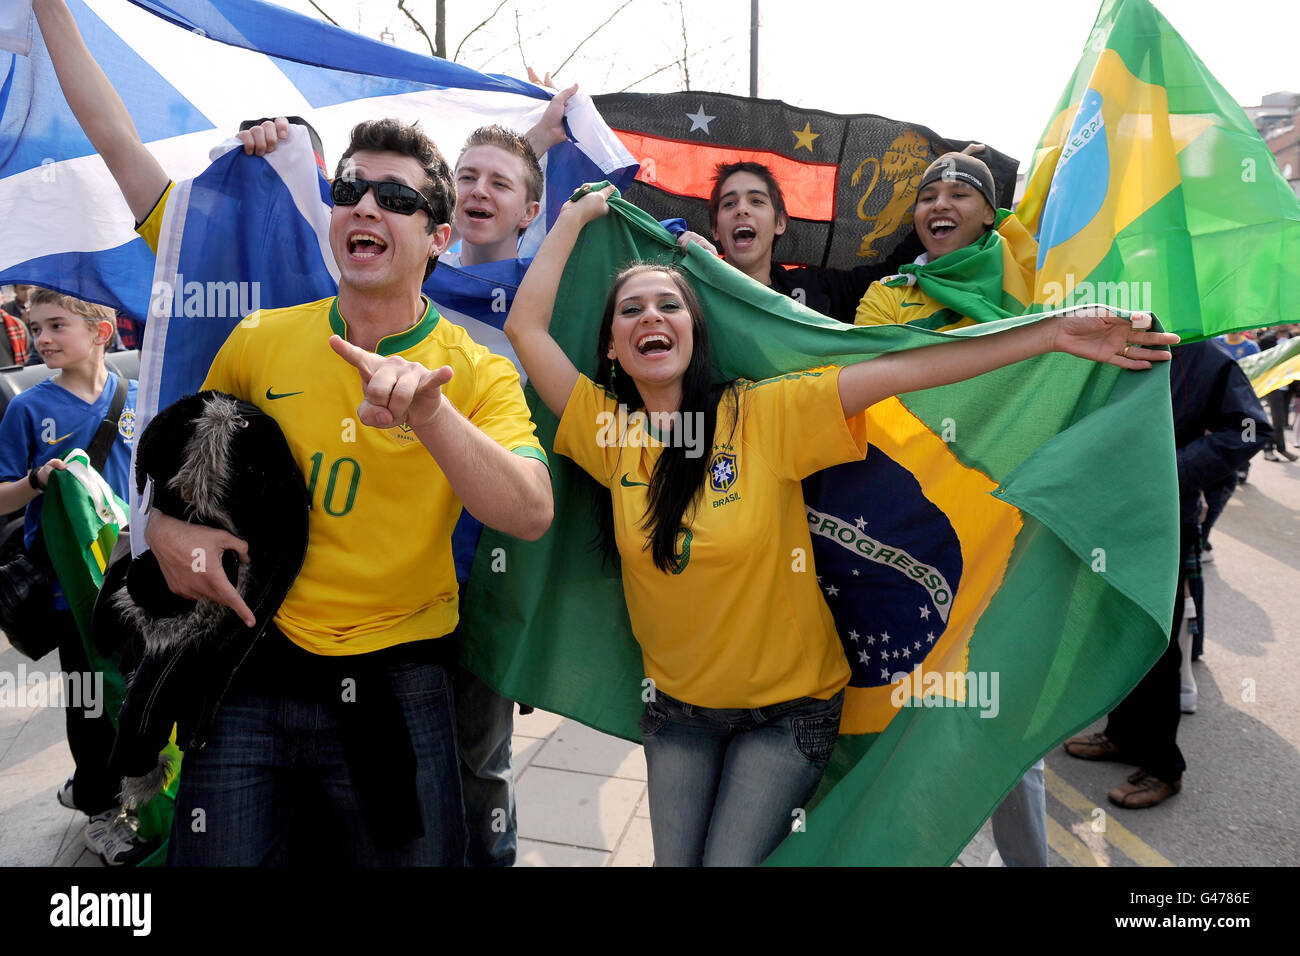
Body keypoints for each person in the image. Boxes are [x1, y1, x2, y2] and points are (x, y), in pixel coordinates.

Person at [504, 182, 1177, 865]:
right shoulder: (606, 435)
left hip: (786, 717)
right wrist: (577, 215)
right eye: (631, 310)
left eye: (670, 304)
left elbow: (900, 369)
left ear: (695, 329)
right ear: (615, 346)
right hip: (677, 716)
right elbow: (524, 328)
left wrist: (1052, 334)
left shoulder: (764, 416)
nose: (652, 315)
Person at [137, 117, 553, 866]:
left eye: (394, 195)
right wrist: (166, 528)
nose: (365, 205)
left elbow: (529, 510)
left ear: (439, 237)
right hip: (250, 672)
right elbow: (178, 473)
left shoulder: (477, 373)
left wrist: (430, 416)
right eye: (349, 188)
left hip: (400, 687)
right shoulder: (258, 339)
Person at [1064, 341, 1270, 807]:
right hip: (1105, 517)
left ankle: (1162, 766)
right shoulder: (1109, 339)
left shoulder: (1204, 354)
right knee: (1114, 635)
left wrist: (1168, 473)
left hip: (1159, 525)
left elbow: (1248, 428)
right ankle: (1122, 735)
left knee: (1153, 643)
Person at [0, 288, 145, 865]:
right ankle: (101, 811)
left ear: (101, 332)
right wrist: (36, 482)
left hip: (136, 582)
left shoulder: (137, 395)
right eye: (36, 328)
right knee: (89, 704)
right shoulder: (27, 409)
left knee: (137, 693)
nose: (42, 339)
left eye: (56, 325)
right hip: (69, 593)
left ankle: (139, 790)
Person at [691, 160, 926, 322]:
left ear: (780, 223)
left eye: (756, 201)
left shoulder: (816, 287)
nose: (742, 209)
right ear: (715, 229)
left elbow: (892, 272)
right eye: (729, 203)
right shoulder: (691, 291)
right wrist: (676, 243)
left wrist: (935, 200)